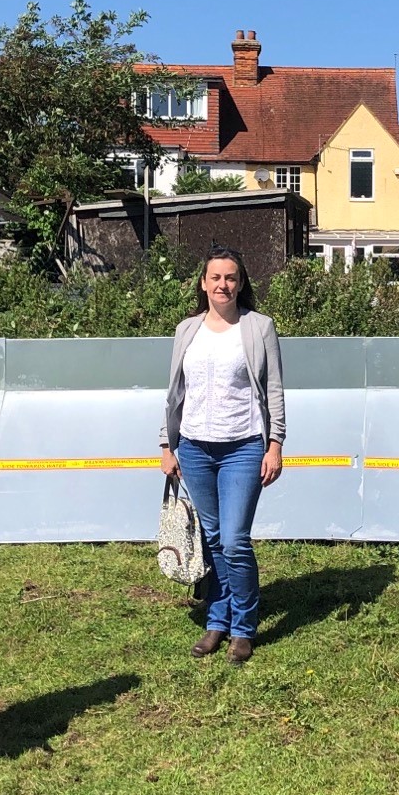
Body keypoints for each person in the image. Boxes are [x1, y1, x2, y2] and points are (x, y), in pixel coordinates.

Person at [160, 247, 285, 665]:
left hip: (244, 446)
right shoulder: (186, 330)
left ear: (241, 282)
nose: (222, 285)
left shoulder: (259, 327)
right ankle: (217, 622)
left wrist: (276, 444)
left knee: (234, 540)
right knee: (212, 541)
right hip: (194, 448)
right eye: (215, 277)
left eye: (231, 277)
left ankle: (243, 628)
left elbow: (274, 390)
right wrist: (167, 444)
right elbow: (175, 391)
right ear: (203, 283)